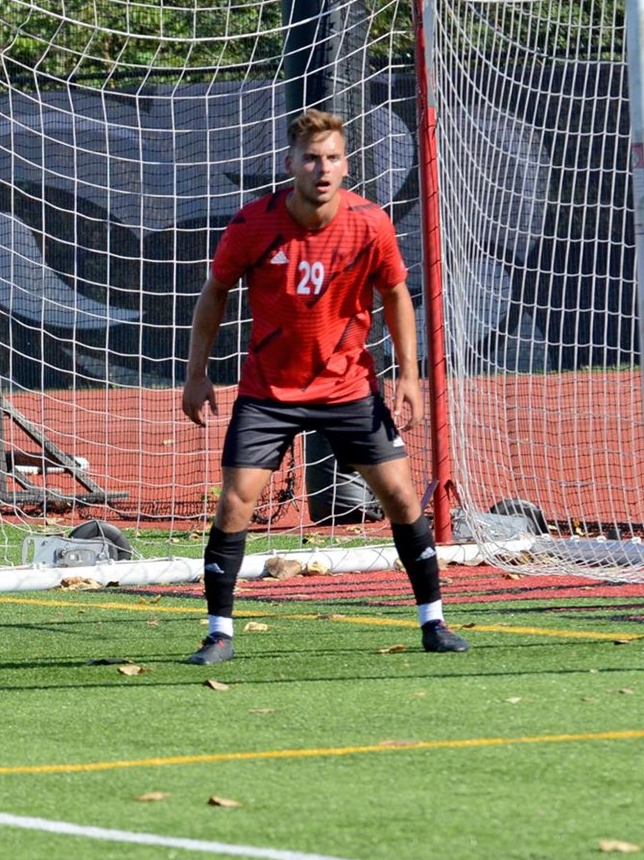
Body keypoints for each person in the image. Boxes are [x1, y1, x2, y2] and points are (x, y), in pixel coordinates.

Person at [179, 108, 470, 664]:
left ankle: (433, 622)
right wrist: (197, 373)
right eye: (311, 158)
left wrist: (407, 374)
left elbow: (397, 296)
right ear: (291, 164)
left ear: (345, 165)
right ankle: (218, 633)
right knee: (235, 505)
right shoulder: (252, 224)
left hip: (349, 389)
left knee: (402, 497)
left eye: (333, 158)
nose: (322, 168)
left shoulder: (371, 223)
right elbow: (214, 293)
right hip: (268, 393)